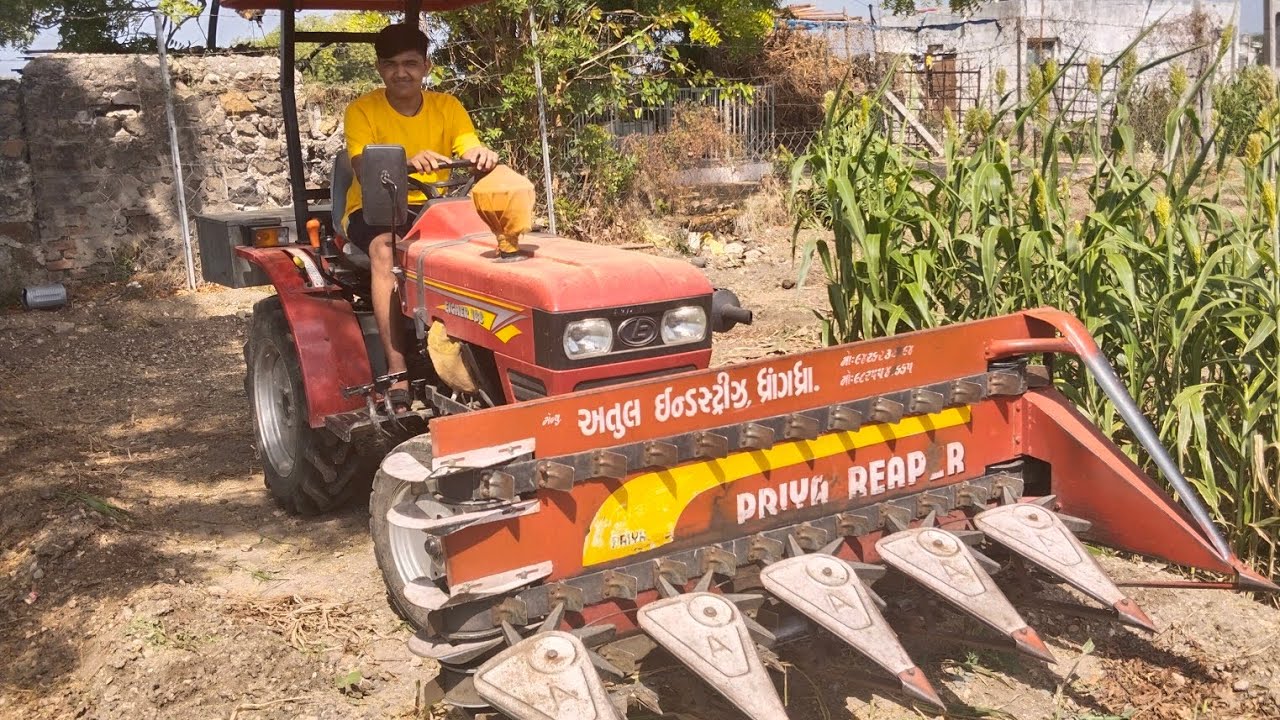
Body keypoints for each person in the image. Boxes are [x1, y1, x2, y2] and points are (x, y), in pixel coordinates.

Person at [342, 23, 498, 411]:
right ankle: (397, 372)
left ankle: (486, 357)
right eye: (391, 64)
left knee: (495, 243)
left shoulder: (448, 106)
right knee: (385, 250)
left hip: (438, 207)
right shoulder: (362, 110)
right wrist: (403, 162)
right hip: (377, 209)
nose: (401, 72)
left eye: (410, 63)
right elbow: (363, 165)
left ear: (426, 66)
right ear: (379, 68)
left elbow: (468, 142)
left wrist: (480, 153)